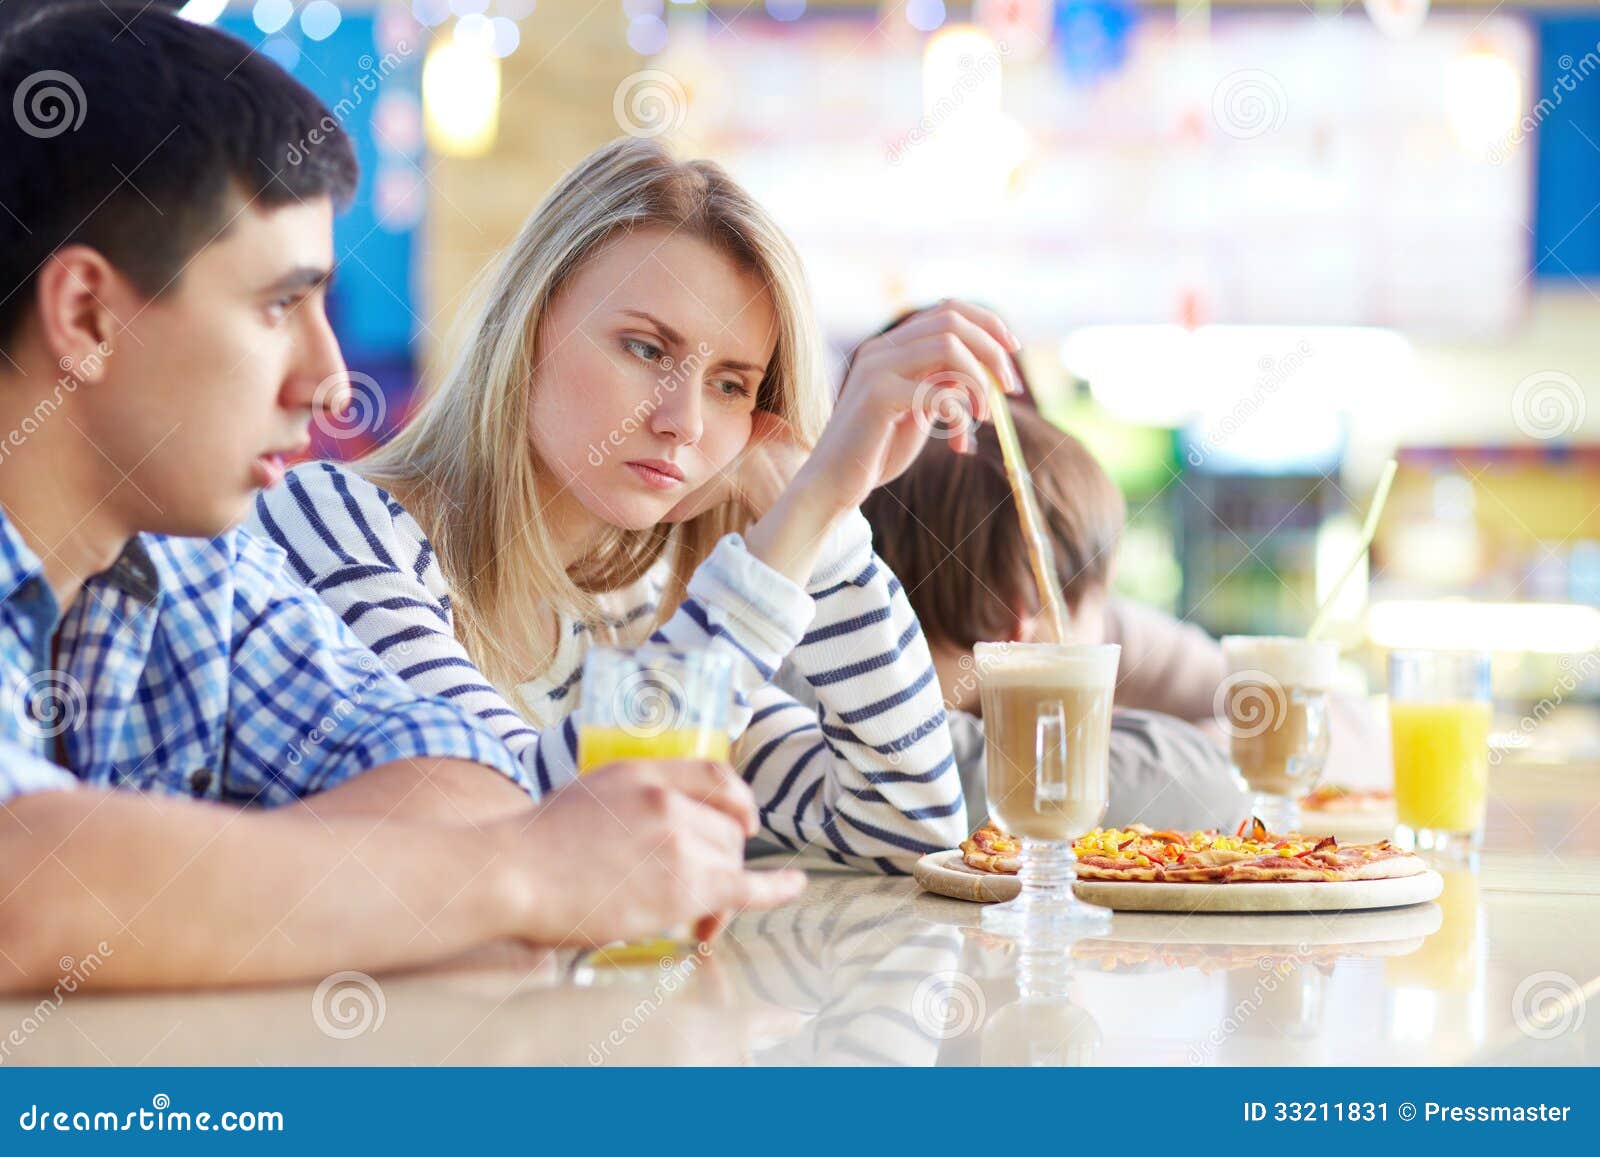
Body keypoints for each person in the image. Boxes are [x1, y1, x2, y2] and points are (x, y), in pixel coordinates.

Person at [0, 3, 804, 993]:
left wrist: (153, 890)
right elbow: (22, 892)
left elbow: (468, 785)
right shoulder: (322, 519)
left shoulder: (195, 564)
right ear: (86, 315)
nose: (332, 380)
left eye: (734, 380)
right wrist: (520, 874)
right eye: (277, 305)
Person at [250, 137, 1026, 872]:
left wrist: (829, 533)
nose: (682, 421)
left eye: (730, 384)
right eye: (647, 350)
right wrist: (810, 504)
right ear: (530, 327)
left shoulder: (641, 605)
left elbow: (906, 825)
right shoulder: (335, 522)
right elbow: (513, 823)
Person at [853, 406, 1253, 830]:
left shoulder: (822, 652)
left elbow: (1317, 707)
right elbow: (1207, 789)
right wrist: (1228, 750)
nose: (1107, 617)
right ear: (1019, 617)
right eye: (1105, 594)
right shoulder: (910, 759)